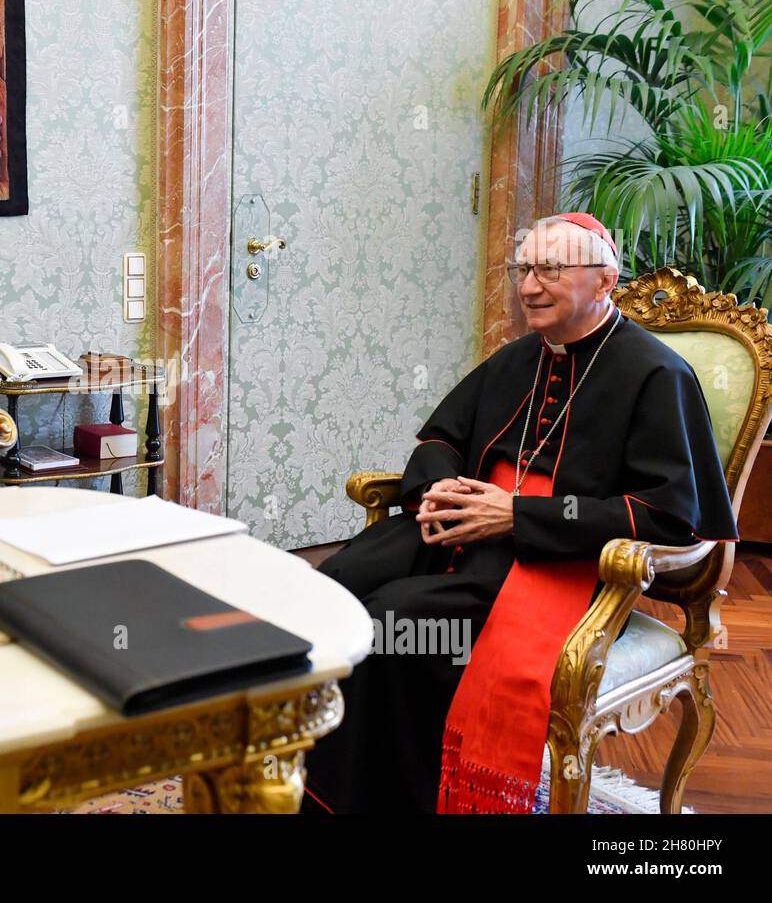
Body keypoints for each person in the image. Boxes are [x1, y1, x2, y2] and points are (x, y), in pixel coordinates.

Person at [304, 213, 737, 814]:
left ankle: (382, 799)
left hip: (558, 561)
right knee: (328, 591)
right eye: (524, 269)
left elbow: (667, 517)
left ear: (604, 280)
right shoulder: (520, 357)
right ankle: (307, 781)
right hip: (466, 531)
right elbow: (442, 439)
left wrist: (518, 515)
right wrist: (438, 490)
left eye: (549, 270)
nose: (529, 285)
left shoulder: (657, 374)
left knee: (395, 626)